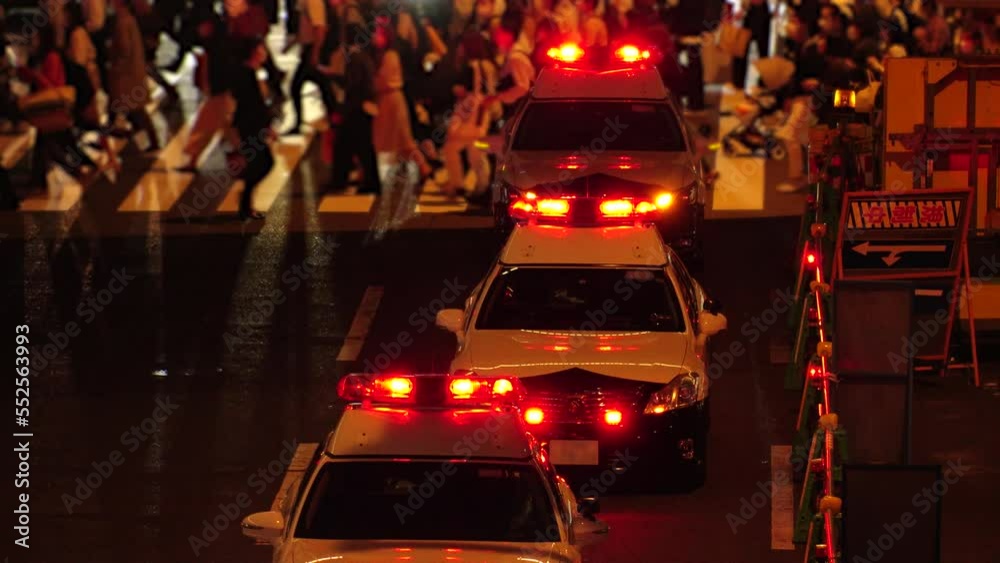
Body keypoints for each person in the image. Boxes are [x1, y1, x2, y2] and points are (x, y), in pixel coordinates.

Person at [371, 21, 435, 184]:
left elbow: (384, 80)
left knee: (403, 140)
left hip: (391, 100)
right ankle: (423, 168)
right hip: (388, 100)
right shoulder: (386, 54)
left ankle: (424, 168)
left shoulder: (390, 56)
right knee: (399, 140)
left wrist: (372, 82)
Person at [178, 13, 237, 172]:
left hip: (220, 93)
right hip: (222, 92)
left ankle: (193, 160)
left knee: (205, 127)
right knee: (229, 127)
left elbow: (217, 70)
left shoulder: (217, 47)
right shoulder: (216, 44)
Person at [329, 24, 380, 194]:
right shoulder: (363, 57)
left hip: (356, 109)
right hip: (361, 107)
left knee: (356, 146)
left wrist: (335, 80)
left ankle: (362, 181)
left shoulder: (355, 59)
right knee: (354, 146)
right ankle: (344, 179)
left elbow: (353, 86)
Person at [230, 36, 277, 220]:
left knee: (258, 163)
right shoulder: (246, 74)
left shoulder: (254, 72)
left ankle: (245, 205)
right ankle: (245, 202)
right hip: (250, 126)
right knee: (264, 163)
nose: (264, 53)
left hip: (252, 125)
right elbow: (253, 106)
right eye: (261, 49)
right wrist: (266, 127)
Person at [107, 0, 160, 152]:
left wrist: (115, 64)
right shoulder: (129, 19)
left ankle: (151, 142)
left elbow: (124, 48)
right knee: (133, 110)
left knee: (136, 110)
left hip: (127, 74)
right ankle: (145, 141)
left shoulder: (123, 22)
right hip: (132, 71)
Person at [285, 0, 338, 134]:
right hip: (309, 49)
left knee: (297, 86)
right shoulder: (305, 2)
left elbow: (320, 28)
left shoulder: (313, 2)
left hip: (312, 49)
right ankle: (335, 119)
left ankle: (299, 124)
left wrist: (315, 53)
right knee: (324, 87)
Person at [440, 68, 492, 200]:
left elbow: (457, 120)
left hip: (467, 134)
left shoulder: (469, 100)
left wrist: (451, 132)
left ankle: (460, 185)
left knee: (454, 152)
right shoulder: (477, 98)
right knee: (477, 160)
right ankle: (480, 187)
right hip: (476, 133)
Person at [732, 0, 771, 90]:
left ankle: (762, 81)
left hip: (757, 10)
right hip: (751, 10)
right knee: (743, 49)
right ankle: (739, 82)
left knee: (761, 50)